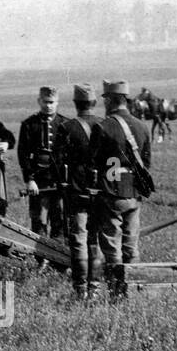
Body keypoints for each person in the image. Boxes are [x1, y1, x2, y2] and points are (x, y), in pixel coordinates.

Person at [89, 79, 153, 297]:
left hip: (111, 192)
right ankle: (134, 290)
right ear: (125, 100)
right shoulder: (142, 126)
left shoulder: (103, 126)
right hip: (134, 193)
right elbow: (147, 162)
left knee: (111, 245)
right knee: (131, 244)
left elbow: (94, 161)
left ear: (109, 101)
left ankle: (117, 291)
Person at [57, 83, 104, 298]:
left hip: (76, 192)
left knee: (79, 239)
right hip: (101, 192)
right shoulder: (105, 125)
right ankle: (95, 287)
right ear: (94, 103)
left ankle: (80, 289)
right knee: (96, 240)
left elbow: (58, 163)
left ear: (75, 104)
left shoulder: (67, 127)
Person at [18, 86, 69, 247]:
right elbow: (23, 154)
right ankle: (41, 258)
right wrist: (29, 180)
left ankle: (59, 260)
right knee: (39, 221)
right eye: (45, 102)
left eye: (52, 102)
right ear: (39, 101)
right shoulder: (29, 124)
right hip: (38, 182)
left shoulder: (65, 124)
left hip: (60, 182)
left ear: (57, 103)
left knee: (60, 221)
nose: (48, 105)